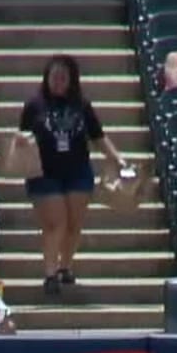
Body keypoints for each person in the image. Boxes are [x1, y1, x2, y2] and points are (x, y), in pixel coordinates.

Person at [18, 54, 129, 294]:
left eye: (63, 77)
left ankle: (65, 266)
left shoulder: (82, 105)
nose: (58, 81)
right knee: (55, 223)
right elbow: (22, 137)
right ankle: (50, 273)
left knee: (74, 224)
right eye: (54, 76)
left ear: (71, 80)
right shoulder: (34, 105)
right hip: (44, 172)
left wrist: (118, 160)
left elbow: (98, 137)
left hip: (77, 170)